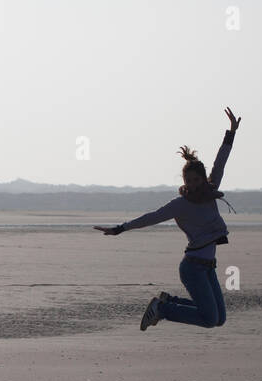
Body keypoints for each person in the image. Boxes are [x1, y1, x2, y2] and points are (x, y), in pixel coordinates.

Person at [95, 107, 240, 329]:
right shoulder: (180, 205)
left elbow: (221, 162)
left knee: (219, 319)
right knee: (209, 319)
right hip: (192, 268)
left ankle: (168, 301)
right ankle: (162, 309)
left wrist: (231, 132)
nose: (191, 184)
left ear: (202, 179)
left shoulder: (211, 192)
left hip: (208, 267)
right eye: (188, 180)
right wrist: (120, 228)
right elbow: (151, 217)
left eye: (195, 180)